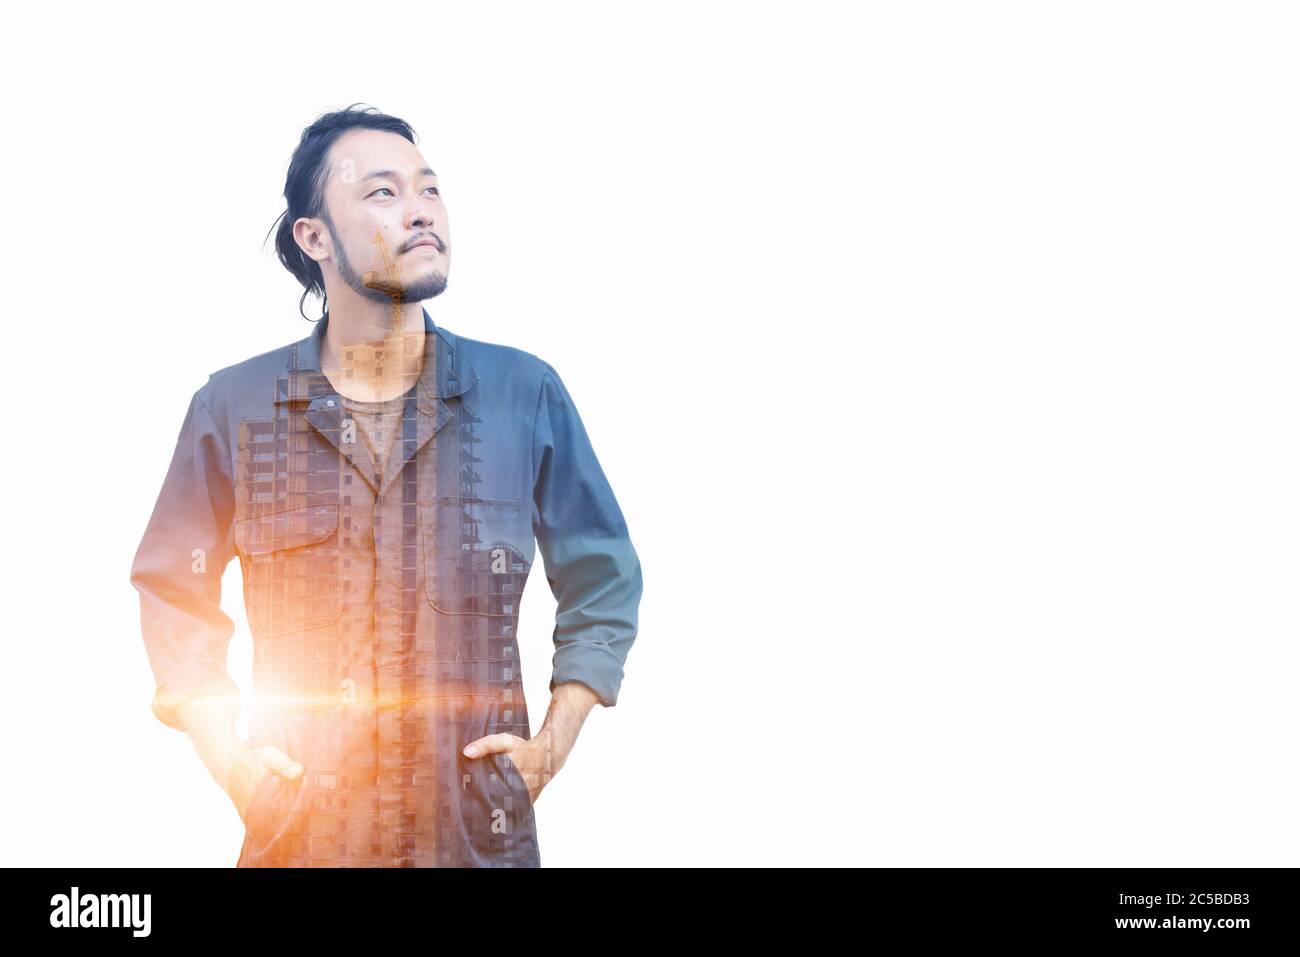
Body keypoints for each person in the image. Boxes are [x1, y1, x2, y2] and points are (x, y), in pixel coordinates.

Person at [129, 104, 643, 867]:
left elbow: (602, 572)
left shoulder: (523, 394)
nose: (421, 212)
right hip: (302, 840)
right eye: (382, 193)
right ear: (313, 237)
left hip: (471, 842)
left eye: (429, 190)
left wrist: (552, 744)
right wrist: (229, 761)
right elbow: (172, 587)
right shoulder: (233, 409)